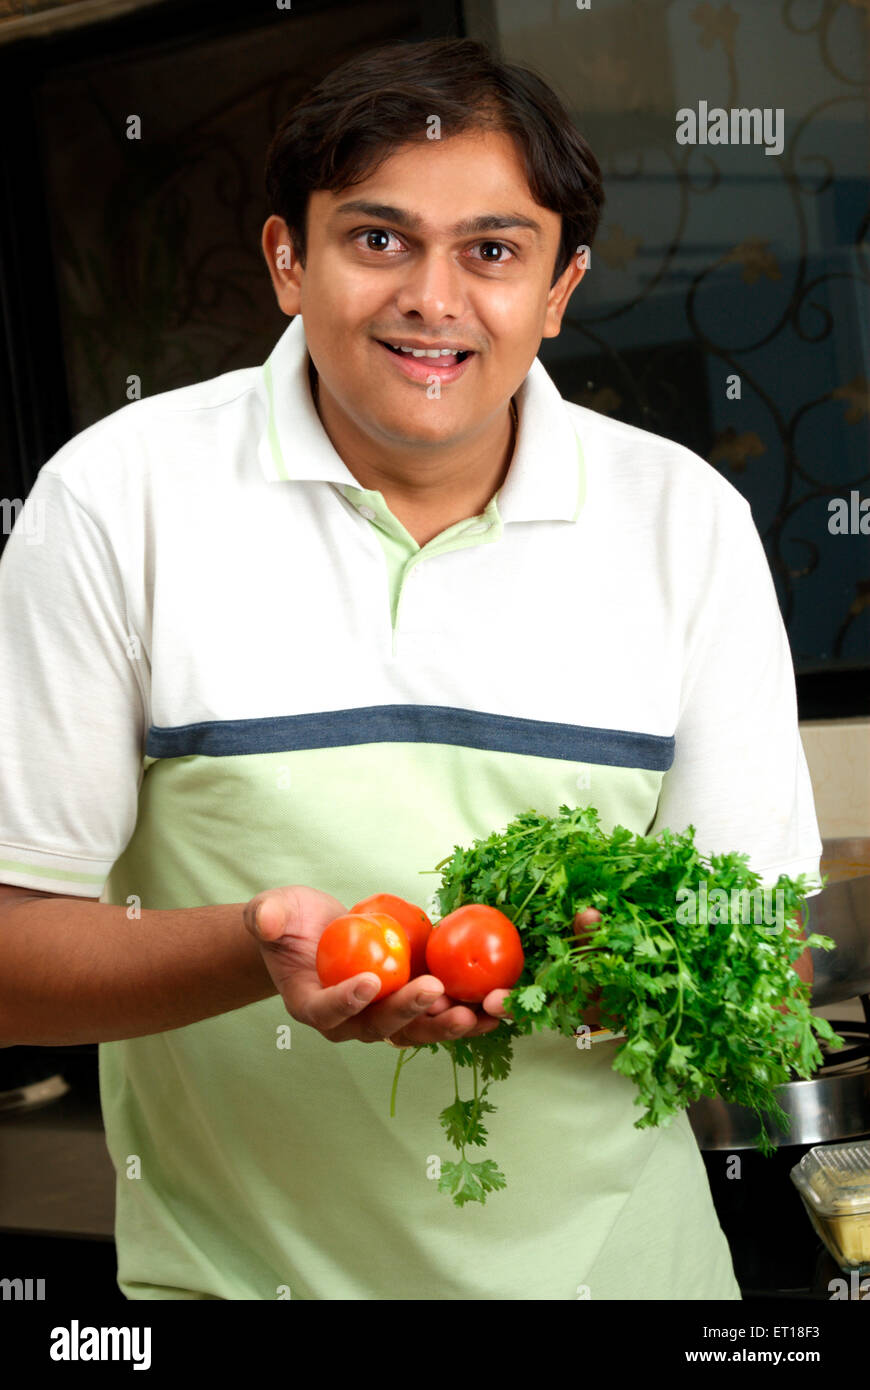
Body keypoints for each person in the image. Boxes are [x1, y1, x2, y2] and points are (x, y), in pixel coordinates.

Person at [0, 37, 821, 1300]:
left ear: (559, 288)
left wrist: (602, 968)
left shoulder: (684, 521)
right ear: (288, 259)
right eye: (378, 239)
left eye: (493, 251)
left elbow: (769, 968)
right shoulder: (118, 499)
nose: (433, 299)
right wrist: (257, 948)